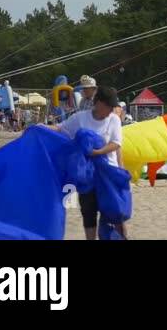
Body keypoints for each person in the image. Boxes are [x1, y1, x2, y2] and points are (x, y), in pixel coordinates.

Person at [44, 86, 126, 240]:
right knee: (88, 211)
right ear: (100, 103)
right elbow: (61, 129)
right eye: (109, 106)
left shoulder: (114, 119)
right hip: (86, 175)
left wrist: (97, 152)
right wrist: (42, 128)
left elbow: (116, 143)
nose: (112, 110)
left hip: (108, 174)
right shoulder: (81, 118)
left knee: (114, 212)